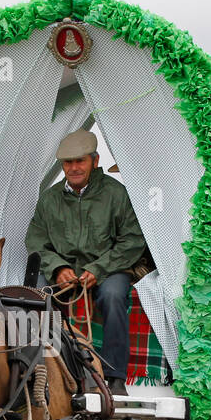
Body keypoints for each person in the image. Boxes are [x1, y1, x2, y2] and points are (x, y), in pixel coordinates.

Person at [25, 128, 146, 395]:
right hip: (64, 269)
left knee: (114, 296)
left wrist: (98, 269)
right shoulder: (49, 199)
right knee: (37, 296)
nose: (74, 167)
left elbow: (133, 241)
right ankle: (46, 370)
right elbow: (35, 241)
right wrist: (57, 268)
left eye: (80, 160)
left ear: (95, 160)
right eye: (68, 162)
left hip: (109, 268)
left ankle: (114, 377)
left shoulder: (117, 194)